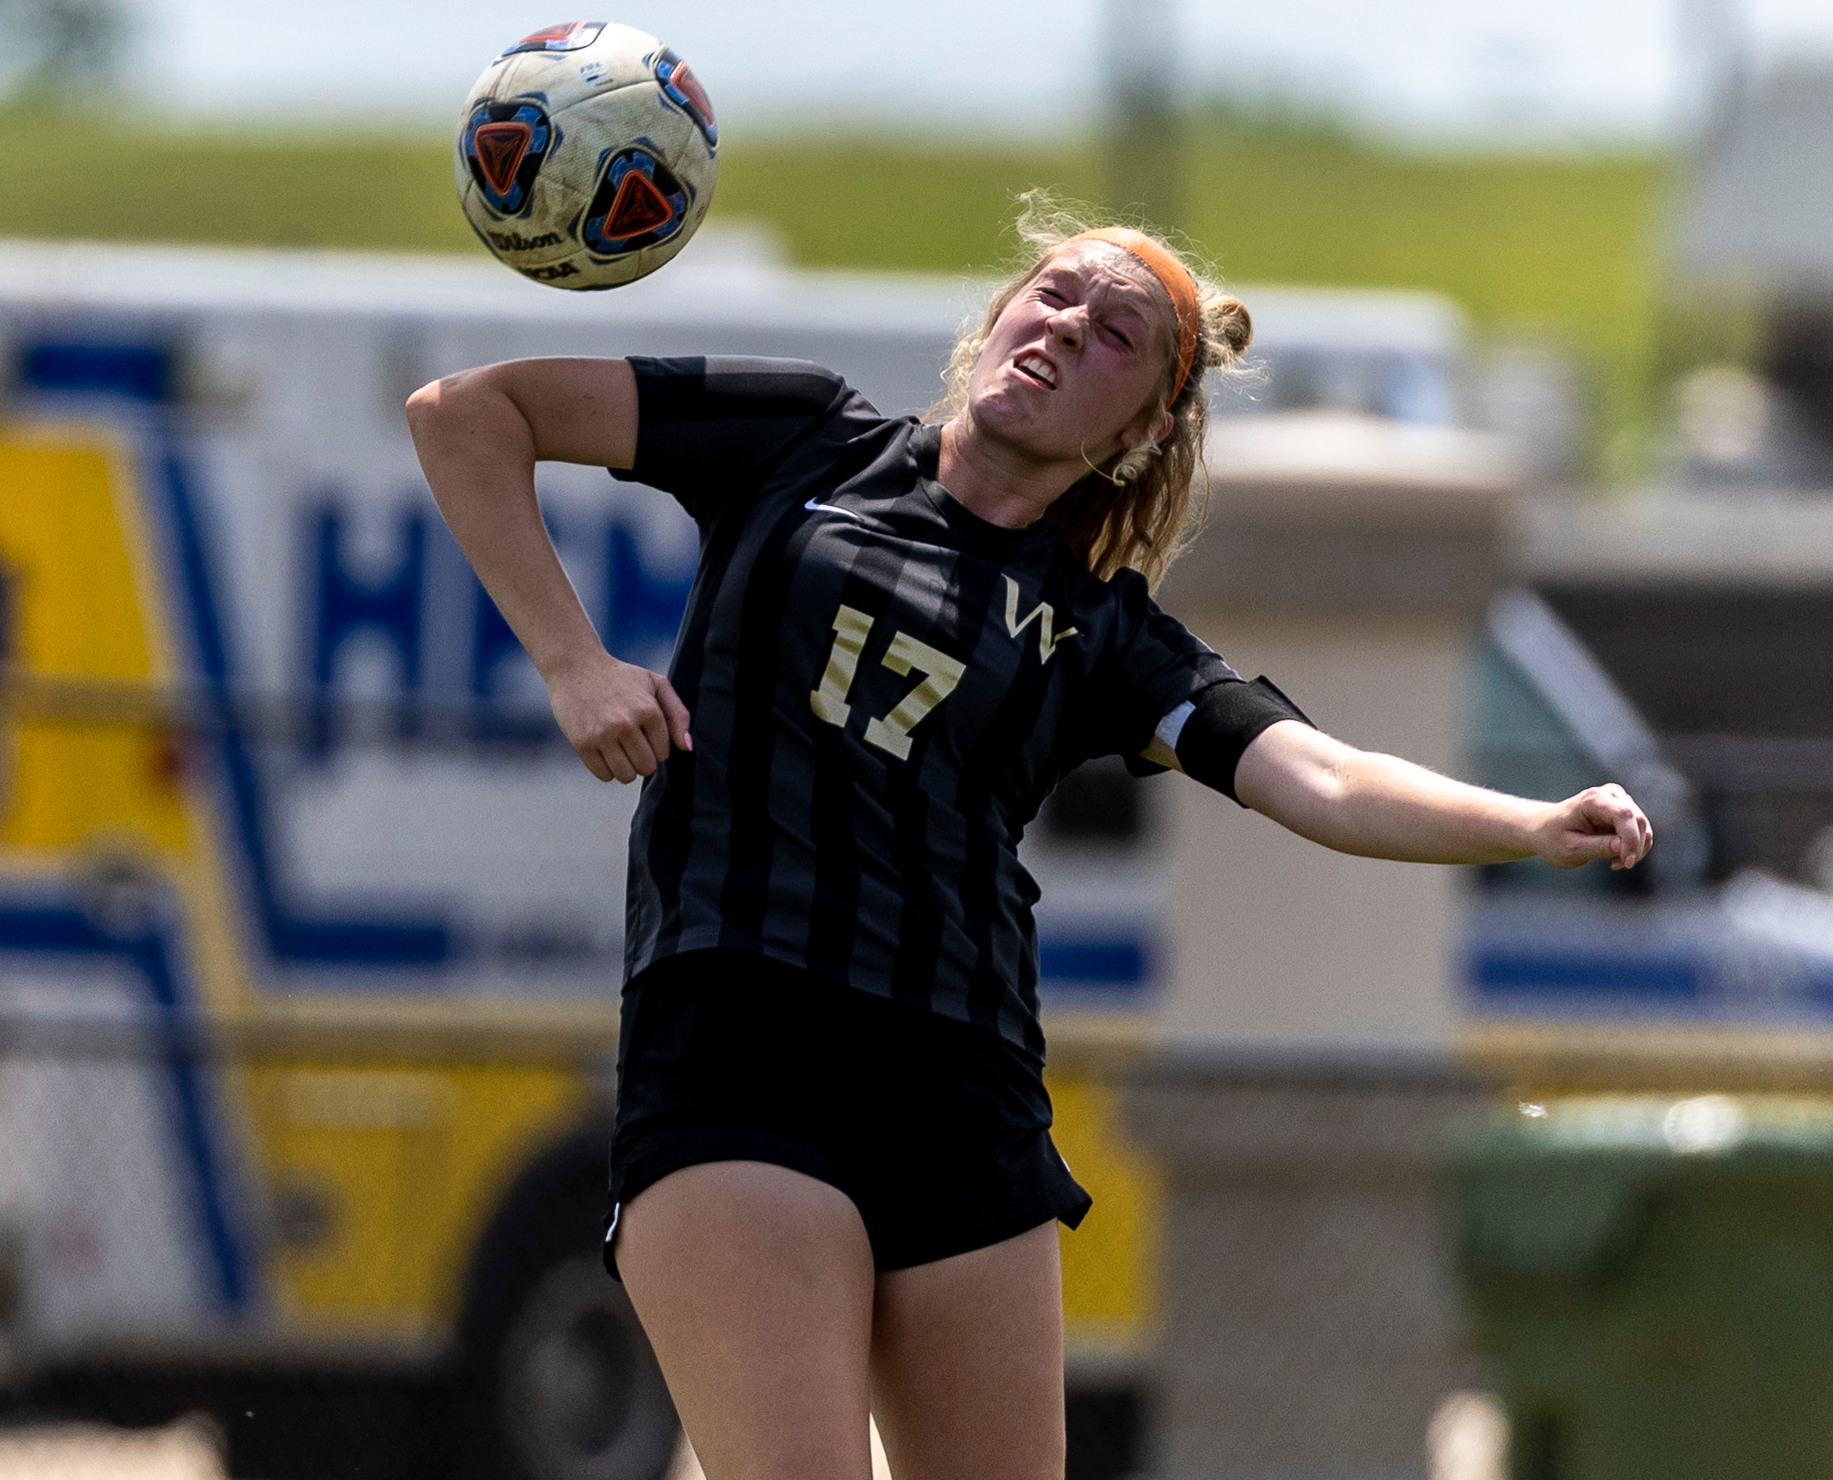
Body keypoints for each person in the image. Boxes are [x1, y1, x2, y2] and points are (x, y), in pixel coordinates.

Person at [406, 201, 1653, 1480]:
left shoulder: (1103, 631)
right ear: (996, 316)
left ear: (1142, 429)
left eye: (1115, 334)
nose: (1064, 328)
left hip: (960, 1086)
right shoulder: (802, 436)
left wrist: (1532, 823)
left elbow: (1324, 779)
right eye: (1052, 293)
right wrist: (571, 662)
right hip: (737, 1040)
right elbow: (464, 413)